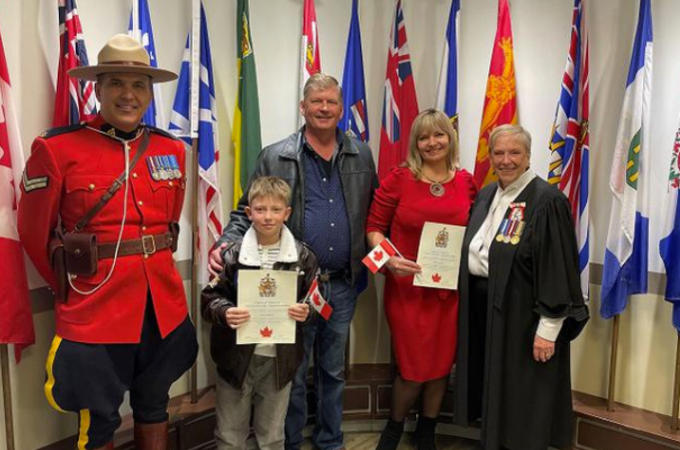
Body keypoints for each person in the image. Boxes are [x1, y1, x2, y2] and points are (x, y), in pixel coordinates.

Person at [17, 34, 198, 450]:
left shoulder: (171, 148)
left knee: (155, 405)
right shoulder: (58, 148)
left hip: (161, 306)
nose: (128, 95)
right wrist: (75, 282)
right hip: (95, 308)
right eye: (116, 83)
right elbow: (33, 233)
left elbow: (167, 226)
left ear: (151, 93)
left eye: (138, 85)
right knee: (98, 418)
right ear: (97, 89)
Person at [209, 73, 378, 450]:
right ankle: (288, 443)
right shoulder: (276, 154)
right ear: (303, 107)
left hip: (342, 285)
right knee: (293, 373)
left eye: (331, 102)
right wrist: (225, 243)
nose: (324, 108)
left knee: (334, 371)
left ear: (340, 108)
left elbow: (376, 211)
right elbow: (246, 210)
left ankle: (330, 442)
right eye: (316, 101)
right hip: (295, 286)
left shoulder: (361, 153)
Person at [453, 124, 589, 450]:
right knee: (497, 393)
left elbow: (557, 270)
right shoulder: (487, 195)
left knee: (524, 395)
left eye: (514, 152)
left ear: (528, 156)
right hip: (487, 312)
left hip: (524, 316)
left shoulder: (546, 202)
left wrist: (549, 328)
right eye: (498, 153)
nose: (506, 160)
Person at [366, 109, 477, 450]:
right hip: (407, 291)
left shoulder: (467, 181)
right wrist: (389, 261)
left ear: (450, 138)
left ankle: (427, 429)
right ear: (416, 143)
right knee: (412, 370)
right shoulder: (400, 178)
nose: (432, 142)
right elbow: (373, 229)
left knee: (442, 366)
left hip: (448, 293)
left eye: (438, 135)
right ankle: (394, 427)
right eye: (424, 137)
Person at [201, 176, 316, 450]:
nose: (268, 217)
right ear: (249, 212)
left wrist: (307, 311)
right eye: (261, 209)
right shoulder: (231, 255)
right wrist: (225, 312)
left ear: (287, 213)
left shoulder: (304, 257)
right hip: (236, 359)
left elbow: (318, 300)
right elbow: (209, 299)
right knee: (229, 435)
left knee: (273, 436)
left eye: (276, 210)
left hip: (280, 361)